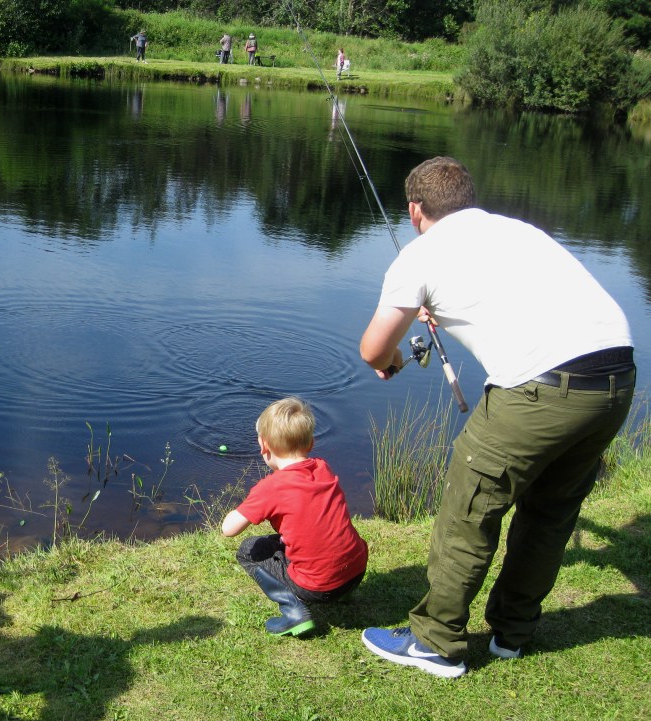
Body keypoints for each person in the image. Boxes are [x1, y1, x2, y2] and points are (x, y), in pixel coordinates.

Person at [358, 156, 635, 678]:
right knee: (549, 515)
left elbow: (373, 350)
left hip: (541, 388)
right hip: (617, 376)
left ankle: (435, 642)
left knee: (469, 507)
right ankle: (512, 634)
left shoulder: (418, 256)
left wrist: (393, 360)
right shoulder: (517, 230)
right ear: (466, 200)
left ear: (415, 209)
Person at [222, 397, 369, 637]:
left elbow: (228, 529)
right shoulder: (322, 467)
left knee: (249, 549)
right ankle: (342, 593)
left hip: (317, 587)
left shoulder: (271, 488)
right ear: (311, 443)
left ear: (263, 446)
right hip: (356, 572)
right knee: (296, 538)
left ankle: (294, 612)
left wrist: (241, 508)